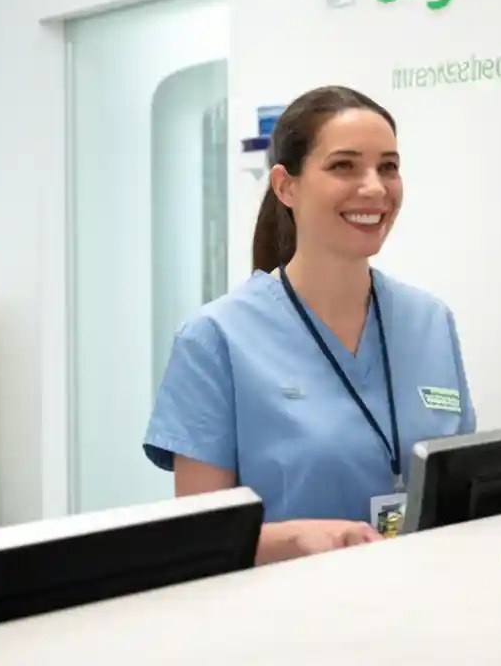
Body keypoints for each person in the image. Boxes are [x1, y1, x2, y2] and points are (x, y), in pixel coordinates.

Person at [143, 85, 477, 565]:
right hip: (284, 622)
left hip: (422, 609)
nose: (375, 187)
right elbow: (196, 539)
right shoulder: (217, 339)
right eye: (344, 166)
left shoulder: (430, 322)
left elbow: (463, 489)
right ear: (286, 187)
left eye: (388, 166)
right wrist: (293, 539)